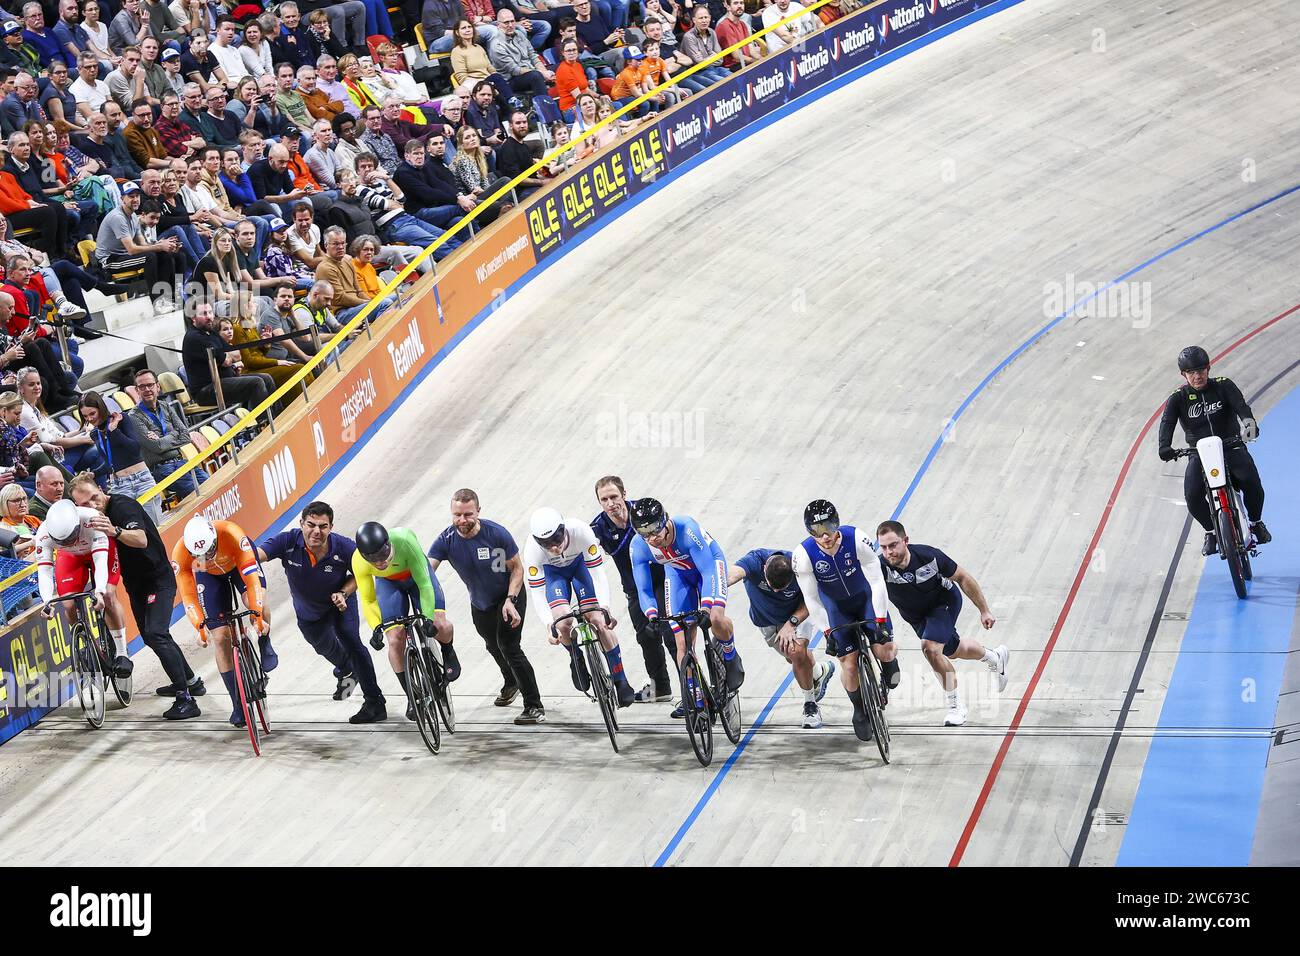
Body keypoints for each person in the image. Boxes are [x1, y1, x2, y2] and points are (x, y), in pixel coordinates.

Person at [68, 473, 202, 720]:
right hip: (136, 584)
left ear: (101, 489)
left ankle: (186, 699)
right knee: (151, 636)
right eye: (84, 505)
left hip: (158, 580)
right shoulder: (88, 520)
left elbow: (140, 540)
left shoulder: (123, 506)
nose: (92, 506)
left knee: (156, 633)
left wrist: (115, 530)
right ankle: (192, 681)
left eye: (94, 498)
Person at [258, 501, 387, 723]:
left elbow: (362, 572)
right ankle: (347, 671)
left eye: (323, 526)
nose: (316, 531)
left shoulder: (344, 547)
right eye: (311, 524)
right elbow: (255, 555)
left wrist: (344, 593)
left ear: (331, 527)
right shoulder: (287, 541)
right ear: (301, 524)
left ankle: (375, 703)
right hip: (308, 613)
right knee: (324, 648)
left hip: (340, 607)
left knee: (353, 644)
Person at [427, 488, 545, 723]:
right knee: (492, 645)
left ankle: (534, 705)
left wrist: (510, 600)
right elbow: (427, 571)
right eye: (457, 515)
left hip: (508, 598)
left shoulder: (495, 535)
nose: (462, 520)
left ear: (478, 511)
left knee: (509, 647)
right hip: (480, 603)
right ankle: (511, 683)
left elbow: (516, 569)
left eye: (468, 514)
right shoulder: (446, 540)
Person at [876, 520, 1009, 727]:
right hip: (916, 616)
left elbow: (963, 577)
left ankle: (956, 707)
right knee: (952, 650)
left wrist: (984, 610)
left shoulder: (929, 556)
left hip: (943, 603)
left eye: (893, 545)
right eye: (883, 547)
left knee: (930, 649)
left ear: (906, 541)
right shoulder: (879, 567)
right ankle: (994, 657)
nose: (888, 552)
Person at [791, 500, 897, 741]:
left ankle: (889, 664)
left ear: (837, 523)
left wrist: (880, 619)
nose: (825, 535)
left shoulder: (857, 538)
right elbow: (812, 599)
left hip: (865, 600)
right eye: (817, 530)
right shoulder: (803, 555)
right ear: (809, 531)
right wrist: (828, 632)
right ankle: (860, 710)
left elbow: (877, 581)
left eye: (828, 526)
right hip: (836, 609)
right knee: (848, 664)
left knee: (884, 651)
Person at [628, 496, 743, 718]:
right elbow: (643, 589)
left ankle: (730, 655)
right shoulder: (639, 546)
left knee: (716, 618)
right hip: (678, 574)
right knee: (682, 640)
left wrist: (707, 607)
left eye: (654, 529)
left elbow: (709, 570)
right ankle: (697, 696)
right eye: (644, 533)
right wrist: (652, 615)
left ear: (664, 520)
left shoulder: (686, 529)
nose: (651, 538)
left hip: (707, 567)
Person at [1157, 345, 1270, 554]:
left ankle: (1256, 523)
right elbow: (1167, 423)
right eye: (1191, 372)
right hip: (1199, 453)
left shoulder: (1223, 385)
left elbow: (1241, 406)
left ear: (1208, 369)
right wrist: (1164, 446)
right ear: (1184, 375)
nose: (1197, 376)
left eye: (1200, 370)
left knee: (1251, 482)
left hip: (1230, 445)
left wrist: (1249, 424)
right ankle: (1211, 531)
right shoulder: (1177, 398)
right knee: (1192, 496)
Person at [524, 506, 636, 706]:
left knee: (597, 619)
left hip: (580, 569)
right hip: (553, 575)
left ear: (563, 529)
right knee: (563, 621)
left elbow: (597, 573)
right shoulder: (532, 550)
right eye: (546, 544)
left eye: (556, 540)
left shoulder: (581, 531)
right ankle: (576, 657)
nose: (554, 548)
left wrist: (605, 606)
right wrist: (548, 624)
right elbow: (538, 592)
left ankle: (621, 680)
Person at [174, 515, 280, 727]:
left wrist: (257, 616)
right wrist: (200, 627)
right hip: (210, 577)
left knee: (253, 603)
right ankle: (237, 704)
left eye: (210, 550)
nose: (208, 556)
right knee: (220, 636)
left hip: (239, 563)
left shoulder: (232, 533)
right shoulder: (181, 553)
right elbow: (188, 596)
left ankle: (265, 643)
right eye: (201, 555)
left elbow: (252, 582)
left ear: (214, 537)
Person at [352, 520, 459, 723]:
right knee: (394, 639)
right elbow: (368, 599)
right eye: (374, 560)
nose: (381, 562)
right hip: (389, 585)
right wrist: (376, 627)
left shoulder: (404, 540)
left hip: (416, 578)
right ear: (365, 556)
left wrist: (427, 618)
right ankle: (413, 695)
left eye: (384, 556)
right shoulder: (357, 560)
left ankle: (448, 651)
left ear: (388, 544)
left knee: (439, 624)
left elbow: (425, 584)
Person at [727, 548, 836, 728]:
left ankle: (810, 705)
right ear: (764, 571)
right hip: (766, 620)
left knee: (796, 653)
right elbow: (732, 574)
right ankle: (819, 671)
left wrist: (792, 623)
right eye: (772, 587)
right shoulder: (754, 561)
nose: (776, 591)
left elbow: (812, 599)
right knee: (792, 657)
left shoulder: (800, 566)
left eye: (782, 588)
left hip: (795, 615)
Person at [590, 475, 671, 703]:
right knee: (646, 637)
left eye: (614, 497)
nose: (610, 503)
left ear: (624, 495)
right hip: (635, 589)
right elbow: (586, 557)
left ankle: (690, 687)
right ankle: (660, 688)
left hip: (663, 581)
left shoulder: (643, 514)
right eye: (604, 499)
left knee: (671, 635)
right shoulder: (598, 528)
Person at [35, 497, 132, 679]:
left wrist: (100, 591)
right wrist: (47, 601)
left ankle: (121, 653)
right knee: (68, 605)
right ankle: (85, 643)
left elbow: (101, 561)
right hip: (71, 558)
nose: (69, 542)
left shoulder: (92, 520)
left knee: (109, 596)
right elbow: (45, 571)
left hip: (99, 549)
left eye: (71, 538)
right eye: (63, 541)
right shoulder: (42, 534)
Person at [77, 390, 164, 526]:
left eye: (92, 413)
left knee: (155, 525)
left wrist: (114, 431)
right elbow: (110, 464)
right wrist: (94, 473)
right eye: (85, 416)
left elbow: (135, 449)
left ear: (100, 408)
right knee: (131, 529)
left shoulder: (121, 419)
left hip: (141, 480)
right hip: (119, 484)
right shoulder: (95, 434)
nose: (89, 419)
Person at [181, 299, 275, 410]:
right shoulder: (194, 337)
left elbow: (237, 355)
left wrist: (228, 357)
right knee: (256, 383)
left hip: (226, 379)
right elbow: (226, 361)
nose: (209, 317)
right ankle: (260, 423)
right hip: (207, 389)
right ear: (193, 317)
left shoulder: (211, 333)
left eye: (210, 312)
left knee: (267, 378)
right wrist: (228, 357)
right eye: (204, 314)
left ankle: (277, 417)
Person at [127, 368, 206, 499]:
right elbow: (156, 447)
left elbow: (185, 436)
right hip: (161, 469)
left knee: (210, 482)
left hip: (181, 462)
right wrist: (175, 434)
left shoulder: (166, 406)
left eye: (150, 385)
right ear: (137, 391)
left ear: (157, 386)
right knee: (196, 492)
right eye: (142, 386)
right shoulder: (134, 417)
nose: (147, 389)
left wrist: (162, 439)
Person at [489, 9, 553, 100]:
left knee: (558, 68)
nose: (510, 25)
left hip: (531, 70)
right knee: (536, 76)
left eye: (512, 21)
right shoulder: (496, 45)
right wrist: (542, 73)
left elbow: (533, 56)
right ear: (498, 25)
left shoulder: (519, 34)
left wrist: (545, 72)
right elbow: (515, 70)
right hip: (512, 80)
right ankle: (547, 109)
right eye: (506, 23)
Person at [678, 6, 731, 86]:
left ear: (710, 18)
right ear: (694, 20)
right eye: (700, 18)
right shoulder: (689, 37)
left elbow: (720, 59)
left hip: (716, 68)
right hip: (699, 73)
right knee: (722, 83)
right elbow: (700, 64)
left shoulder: (712, 32)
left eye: (706, 17)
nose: (704, 21)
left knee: (733, 77)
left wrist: (708, 59)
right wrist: (712, 56)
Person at [0, 480, 40, 557]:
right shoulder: (2, 529)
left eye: (24, 499)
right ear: (4, 503)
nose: (23, 504)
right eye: (16, 500)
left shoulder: (32, 519)